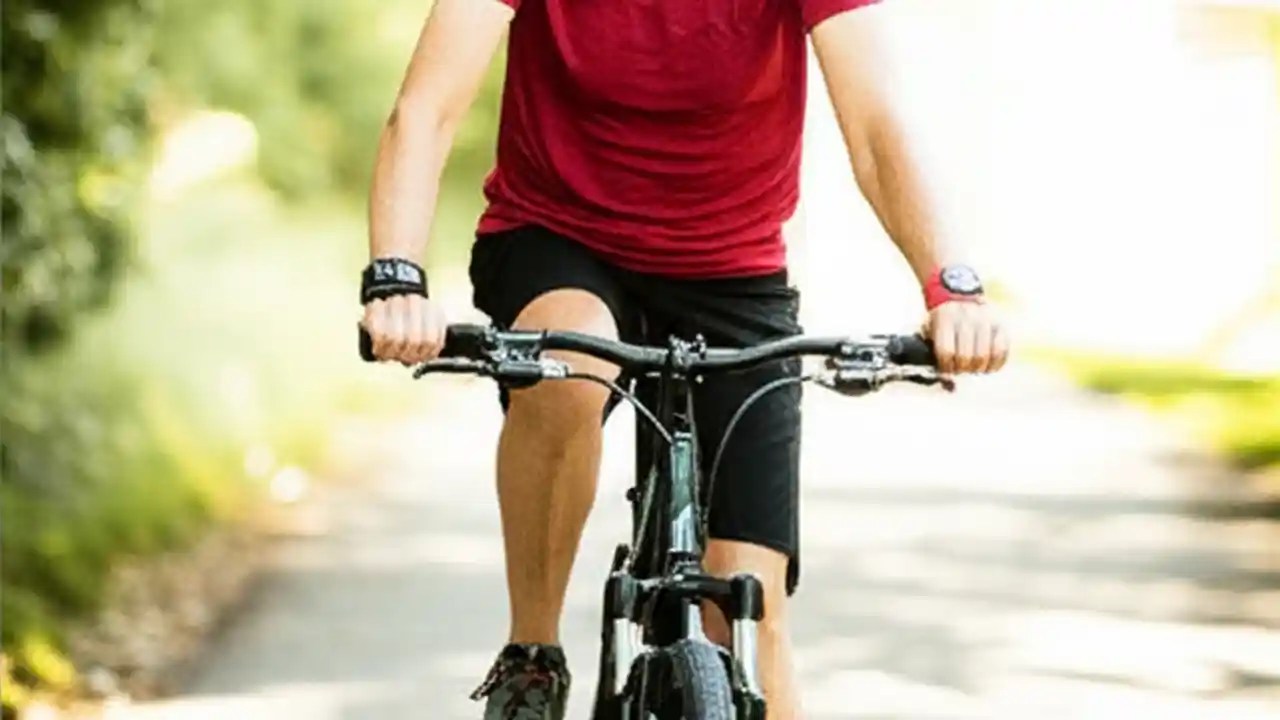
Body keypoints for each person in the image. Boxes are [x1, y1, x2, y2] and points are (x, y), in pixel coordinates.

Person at [359, 0, 1010, 716]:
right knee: (572, 372)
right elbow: (426, 109)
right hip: (560, 235)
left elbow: (877, 127)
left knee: (749, 628)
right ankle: (533, 655)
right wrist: (396, 275)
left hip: (730, 269)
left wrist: (950, 287)